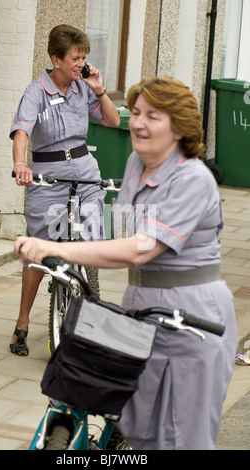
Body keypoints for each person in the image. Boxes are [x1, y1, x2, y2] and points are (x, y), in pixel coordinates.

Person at [14, 77, 237, 450]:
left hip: (192, 316)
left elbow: (139, 249)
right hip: (141, 302)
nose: (138, 123)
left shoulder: (193, 178)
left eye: (153, 116)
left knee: (181, 438)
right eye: (135, 113)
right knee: (135, 426)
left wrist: (60, 249)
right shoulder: (137, 162)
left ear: (180, 128)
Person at [9, 24, 120, 356]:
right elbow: (22, 132)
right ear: (56, 59)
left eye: (84, 57)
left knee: (91, 238)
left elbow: (113, 122)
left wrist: (99, 90)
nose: (81, 63)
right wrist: (20, 165)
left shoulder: (83, 87)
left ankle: (91, 308)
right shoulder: (36, 92)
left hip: (85, 169)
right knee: (38, 250)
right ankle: (22, 325)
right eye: (75, 58)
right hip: (48, 175)